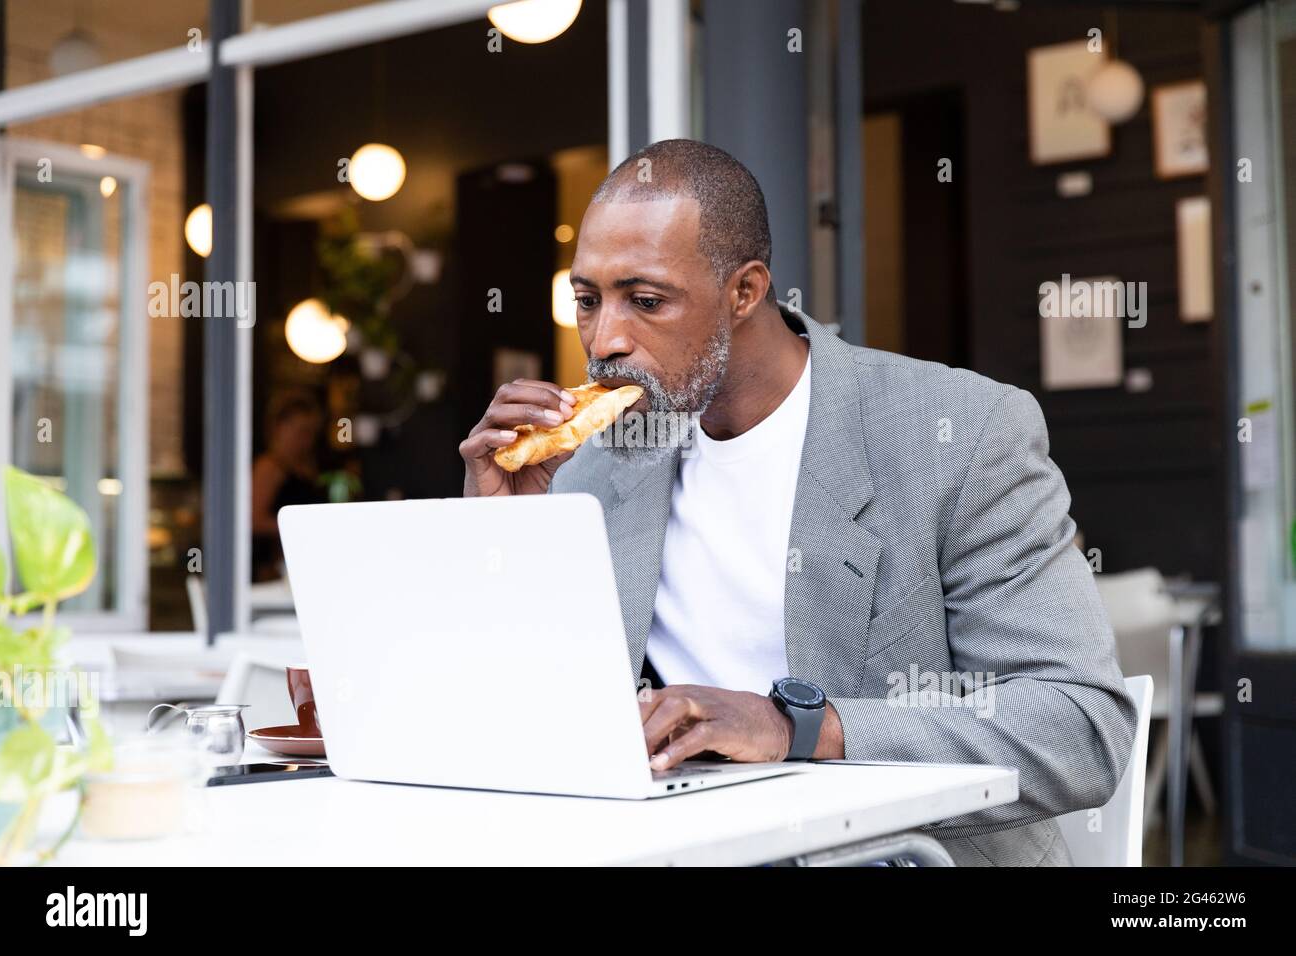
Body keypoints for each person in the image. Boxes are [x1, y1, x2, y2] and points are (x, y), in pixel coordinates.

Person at [459, 139, 1135, 866]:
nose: (606, 339)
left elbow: (1079, 726)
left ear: (745, 292)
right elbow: (522, 722)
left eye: (646, 300)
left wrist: (799, 727)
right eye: (588, 301)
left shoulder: (959, 434)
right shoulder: (593, 466)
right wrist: (505, 534)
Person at [252, 391, 326, 582]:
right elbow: (253, 520)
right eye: (301, 431)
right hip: (273, 568)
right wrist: (298, 525)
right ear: (279, 427)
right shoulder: (269, 467)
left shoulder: (306, 466)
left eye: (311, 433)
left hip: (299, 563)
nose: (306, 440)